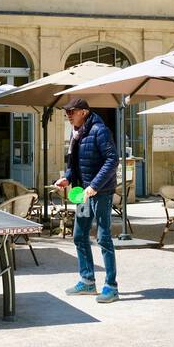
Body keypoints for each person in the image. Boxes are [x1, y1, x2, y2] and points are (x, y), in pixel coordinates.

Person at [56, 97, 120, 303]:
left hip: (100, 193)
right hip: (82, 193)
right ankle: (87, 281)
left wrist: (94, 186)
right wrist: (67, 178)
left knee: (103, 237)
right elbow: (74, 163)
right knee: (79, 235)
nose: (68, 117)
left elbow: (112, 159)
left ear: (83, 112)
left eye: (70, 113)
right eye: (66, 114)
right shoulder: (77, 133)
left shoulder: (100, 130)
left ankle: (111, 287)